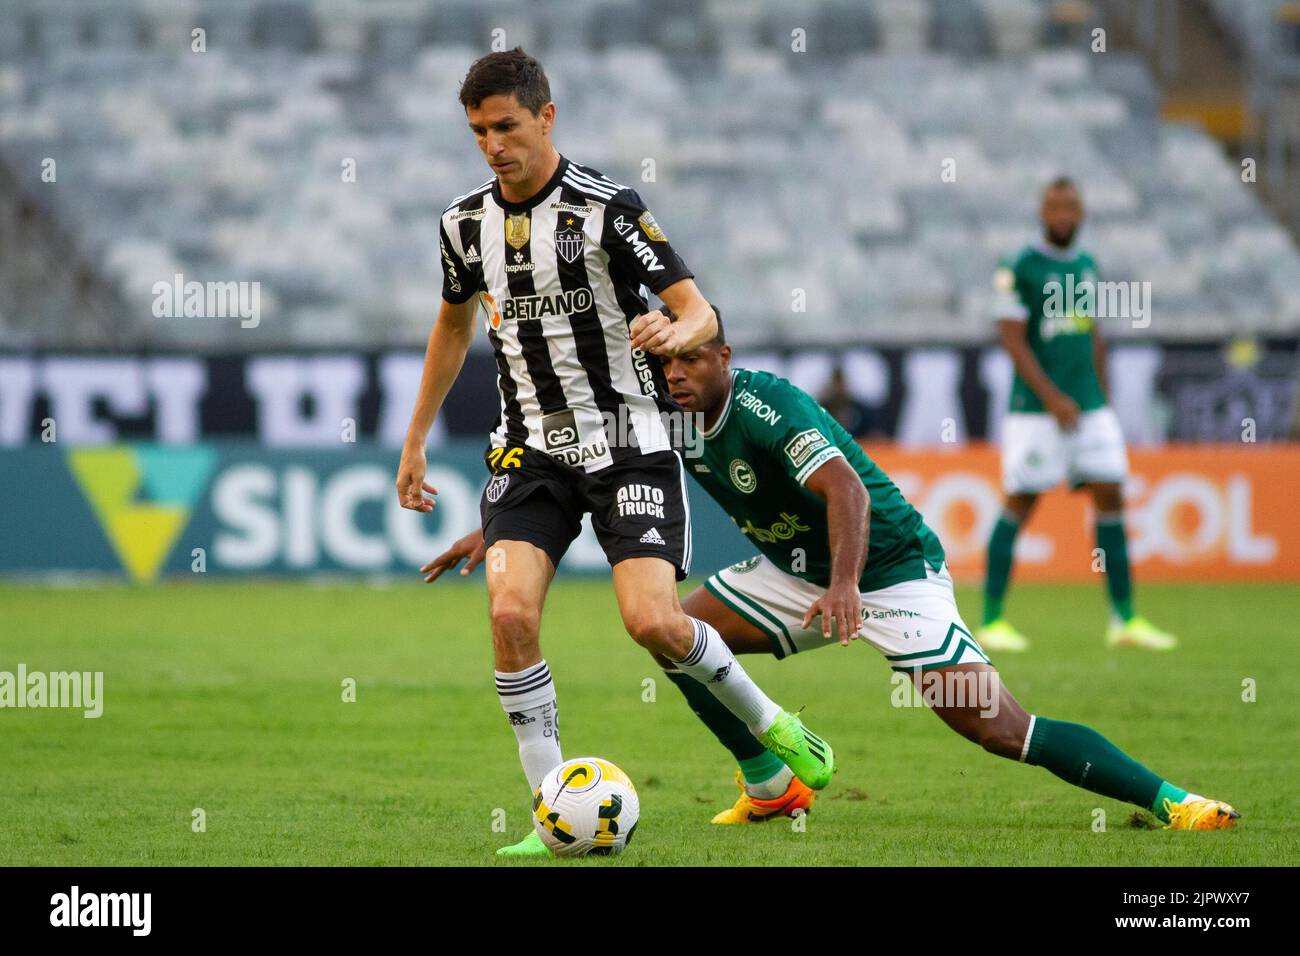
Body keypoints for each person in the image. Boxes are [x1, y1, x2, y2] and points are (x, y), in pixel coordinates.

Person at [426, 311, 1239, 832]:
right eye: (666, 364)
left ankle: (1172, 801)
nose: (675, 374)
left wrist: (847, 585)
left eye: (690, 359)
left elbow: (842, 486)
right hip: (792, 573)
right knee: (673, 631)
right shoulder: (664, 420)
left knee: (995, 726)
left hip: (887, 572)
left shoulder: (764, 403)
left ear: (723, 355)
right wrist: (493, 527)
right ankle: (772, 782)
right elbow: (576, 478)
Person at [397, 49, 835, 858]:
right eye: (479, 132)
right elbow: (453, 324)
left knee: (654, 624)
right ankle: (549, 810)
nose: (494, 145)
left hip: (628, 443)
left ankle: (774, 724)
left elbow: (699, 309)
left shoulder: (607, 209)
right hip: (527, 451)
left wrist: (678, 330)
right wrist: (416, 434)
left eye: (507, 127)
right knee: (509, 615)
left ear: (546, 116)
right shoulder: (463, 223)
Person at [979, 177, 1177, 653]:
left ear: (1081, 212)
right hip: (1035, 411)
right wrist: (1051, 397)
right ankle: (991, 620)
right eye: (1055, 206)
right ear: (1042, 212)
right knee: (1022, 500)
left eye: (1071, 206)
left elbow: (1093, 333)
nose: (1063, 214)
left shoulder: (1088, 265)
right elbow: (1011, 337)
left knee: (1111, 496)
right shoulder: (1019, 266)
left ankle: (1124, 618)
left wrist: (1101, 394)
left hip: (1089, 407)